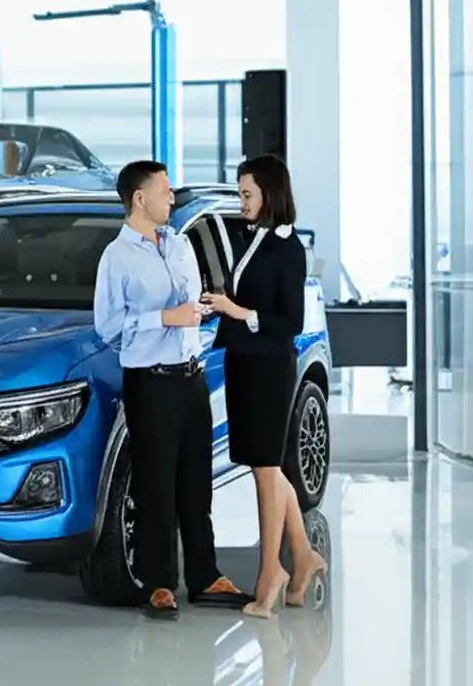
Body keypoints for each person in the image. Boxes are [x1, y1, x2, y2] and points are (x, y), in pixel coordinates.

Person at [94, 159, 244, 620]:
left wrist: (195, 310)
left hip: (191, 376)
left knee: (197, 481)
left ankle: (205, 576)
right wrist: (162, 317)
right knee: (155, 484)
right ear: (139, 199)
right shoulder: (117, 257)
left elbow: (190, 301)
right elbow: (107, 327)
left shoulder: (179, 245)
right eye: (165, 192)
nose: (172, 198)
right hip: (151, 382)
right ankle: (158, 583)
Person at [205, 154, 326, 618]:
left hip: (269, 368)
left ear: (269, 194)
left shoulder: (288, 249)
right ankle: (304, 557)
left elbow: (289, 321)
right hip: (243, 362)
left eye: (247, 194)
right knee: (267, 468)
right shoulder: (250, 238)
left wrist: (237, 310)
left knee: (265, 470)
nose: (241, 202)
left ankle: (270, 570)